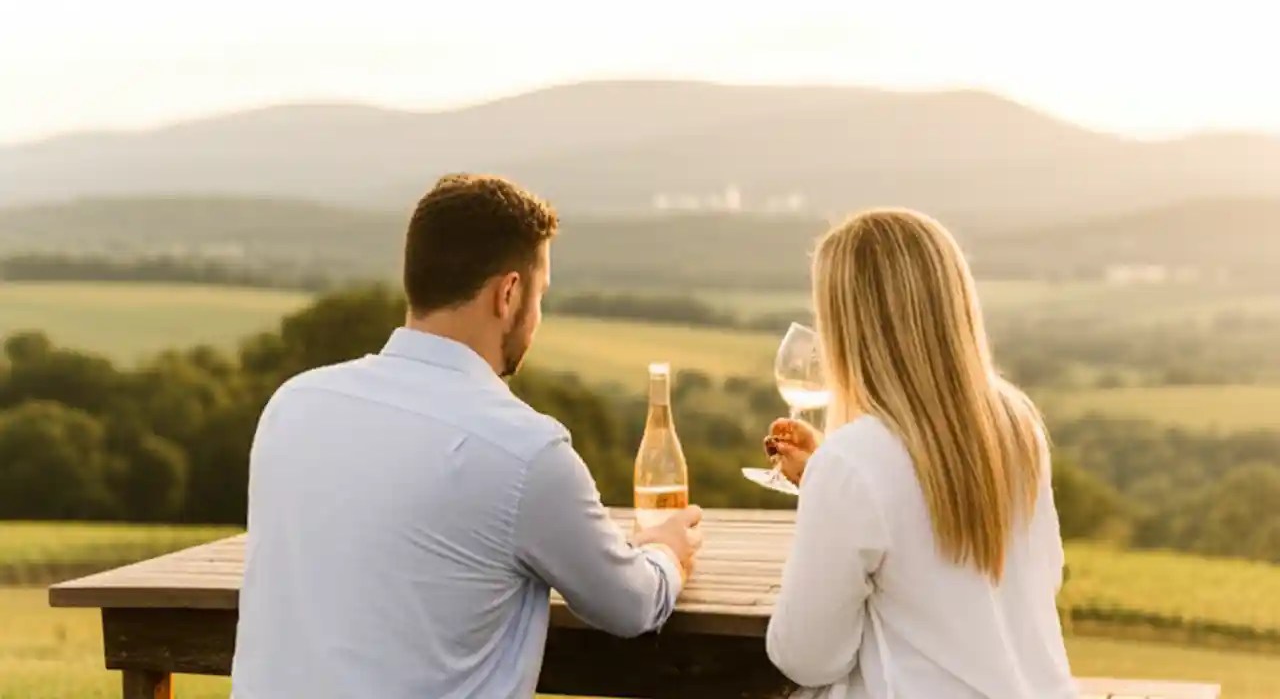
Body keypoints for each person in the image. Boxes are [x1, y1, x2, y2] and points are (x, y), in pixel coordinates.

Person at [230, 174, 702, 699]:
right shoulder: (526, 453)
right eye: (540, 294)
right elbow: (631, 605)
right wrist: (665, 550)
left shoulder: (293, 405)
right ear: (509, 294)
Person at [763, 209, 1075, 699]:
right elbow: (1041, 578)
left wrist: (833, 482)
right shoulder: (1018, 423)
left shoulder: (854, 461)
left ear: (848, 328)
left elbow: (806, 655)